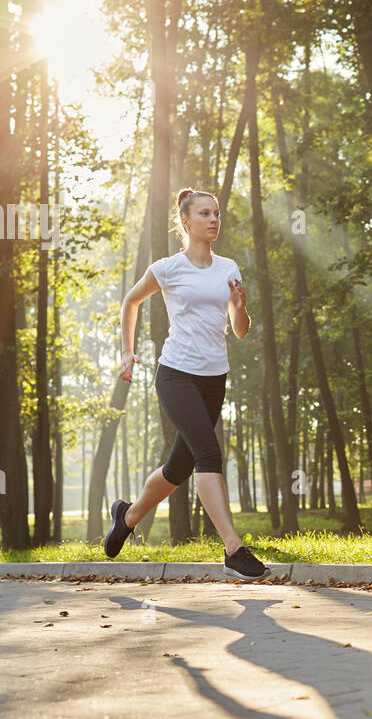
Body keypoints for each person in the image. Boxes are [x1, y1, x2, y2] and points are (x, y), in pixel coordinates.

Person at [104, 188, 269, 582]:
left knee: (179, 467)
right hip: (176, 374)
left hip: (215, 377)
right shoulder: (168, 268)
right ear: (186, 221)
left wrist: (242, 308)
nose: (214, 220)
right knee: (209, 453)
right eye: (205, 214)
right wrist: (127, 352)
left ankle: (127, 516)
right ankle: (233, 548)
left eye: (217, 214)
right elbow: (130, 302)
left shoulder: (228, 267)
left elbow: (240, 331)